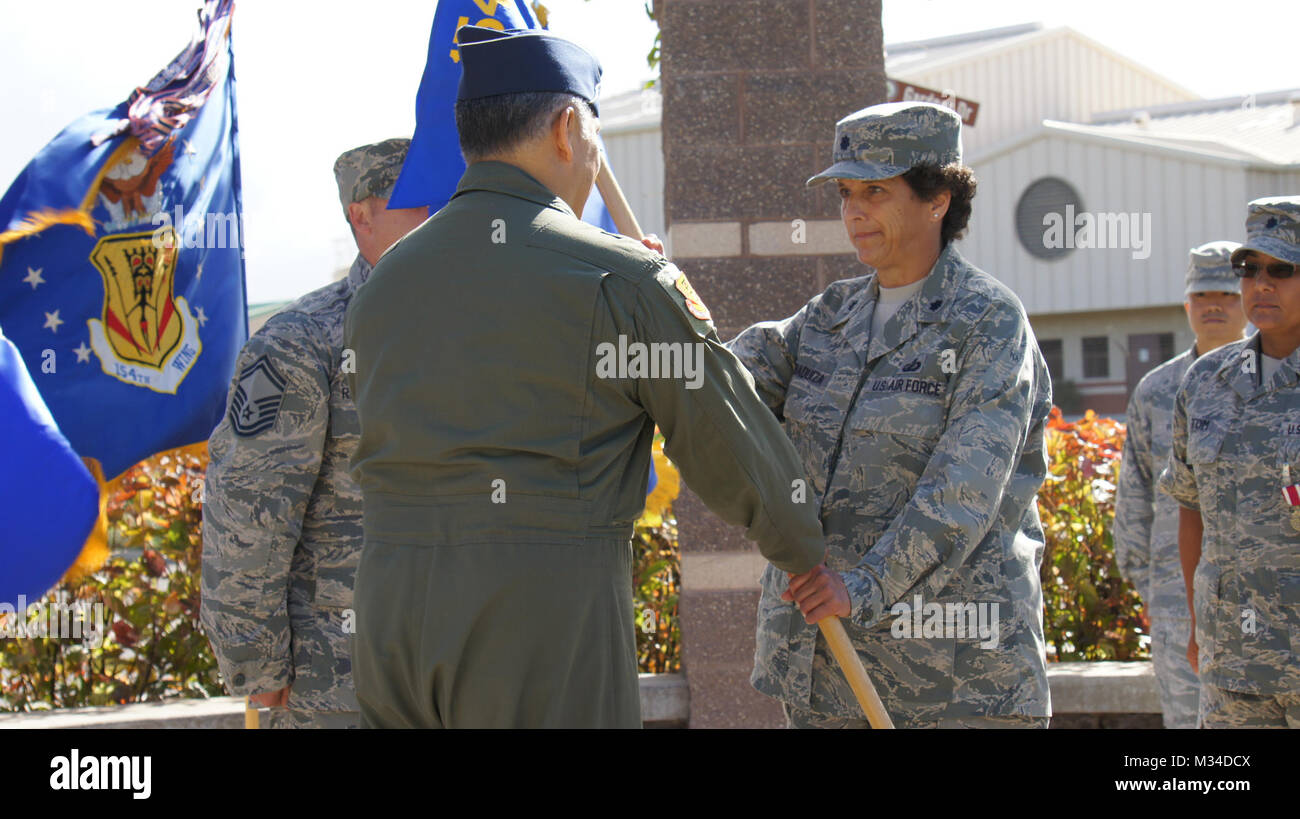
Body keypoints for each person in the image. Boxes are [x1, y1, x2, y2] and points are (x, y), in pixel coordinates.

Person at [343, 26, 825, 729]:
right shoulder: (622, 278)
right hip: (537, 623)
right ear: (568, 128)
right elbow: (736, 451)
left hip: (390, 617)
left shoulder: (385, 287)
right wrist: (803, 547)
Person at [727, 101, 1053, 728]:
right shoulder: (825, 318)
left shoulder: (987, 323)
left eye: (875, 190)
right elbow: (721, 389)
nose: (854, 211)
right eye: (846, 192)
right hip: (832, 677)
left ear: (938, 199)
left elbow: (964, 490)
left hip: (958, 686)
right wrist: (661, 300)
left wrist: (866, 586)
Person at [201, 139, 427, 729]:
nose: (437, 217)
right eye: (417, 202)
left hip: (473, 669)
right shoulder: (302, 342)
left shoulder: (487, 331)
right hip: (339, 680)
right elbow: (248, 511)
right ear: (363, 216)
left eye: (447, 199)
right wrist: (259, 667)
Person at [1161, 196, 1300, 729]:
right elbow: (1191, 508)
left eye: (1282, 270)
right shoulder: (1204, 383)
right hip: (1234, 664)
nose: (1261, 285)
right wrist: (1198, 625)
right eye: (1250, 269)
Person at [1114, 241, 1246, 729]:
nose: (1214, 305)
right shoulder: (1155, 392)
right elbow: (1133, 501)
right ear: (1187, 304)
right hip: (1177, 605)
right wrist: (1154, 591)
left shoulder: (1281, 382)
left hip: (1266, 602)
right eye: (1203, 294)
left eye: (1228, 294)